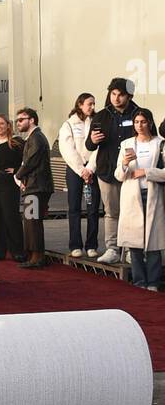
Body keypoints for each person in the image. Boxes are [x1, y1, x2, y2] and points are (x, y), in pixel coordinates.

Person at [85, 77, 140, 265]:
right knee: (111, 212)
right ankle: (112, 249)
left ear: (129, 96)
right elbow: (89, 146)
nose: (116, 98)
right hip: (107, 172)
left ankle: (132, 249)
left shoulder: (138, 114)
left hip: (132, 172)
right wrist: (93, 139)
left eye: (121, 95)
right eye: (113, 94)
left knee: (132, 211)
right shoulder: (101, 116)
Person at [115, 108, 165, 291]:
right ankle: (138, 282)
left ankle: (152, 282)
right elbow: (119, 175)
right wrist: (124, 164)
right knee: (134, 240)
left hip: (153, 194)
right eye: (136, 122)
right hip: (131, 195)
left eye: (143, 122)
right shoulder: (127, 143)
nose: (140, 126)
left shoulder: (160, 144)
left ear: (150, 123)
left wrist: (147, 172)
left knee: (153, 240)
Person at [58, 93, 100, 258]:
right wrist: (81, 170)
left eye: (94, 104)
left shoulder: (96, 122)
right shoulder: (68, 124)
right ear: (80, 104)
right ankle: (75, 245)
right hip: (75, 170)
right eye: (89, 104)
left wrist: (90, 168)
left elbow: (99, 147)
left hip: (92, 170)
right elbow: (67, 149)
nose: (92, 107)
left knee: (93, 208)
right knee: (74, 207)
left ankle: (91, 245)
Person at [13, 107, 54, 269]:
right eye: (17, 121)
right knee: (31, 221)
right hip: (35, 185)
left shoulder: (36, 138)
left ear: (32, 120)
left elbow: (30, 161)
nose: (18, 123)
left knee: (33, 221)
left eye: (21, 120)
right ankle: (34, 256)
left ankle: (37, 257)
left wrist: (18, 175)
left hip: (37, 187)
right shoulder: (34, 137)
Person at [0, 115, 25, 262]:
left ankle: (17, 250)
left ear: (8, 125)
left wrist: (17, 170)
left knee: (11, 217)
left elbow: (27, 160)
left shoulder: (16, 142)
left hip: (8, 184)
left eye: (2, 124)